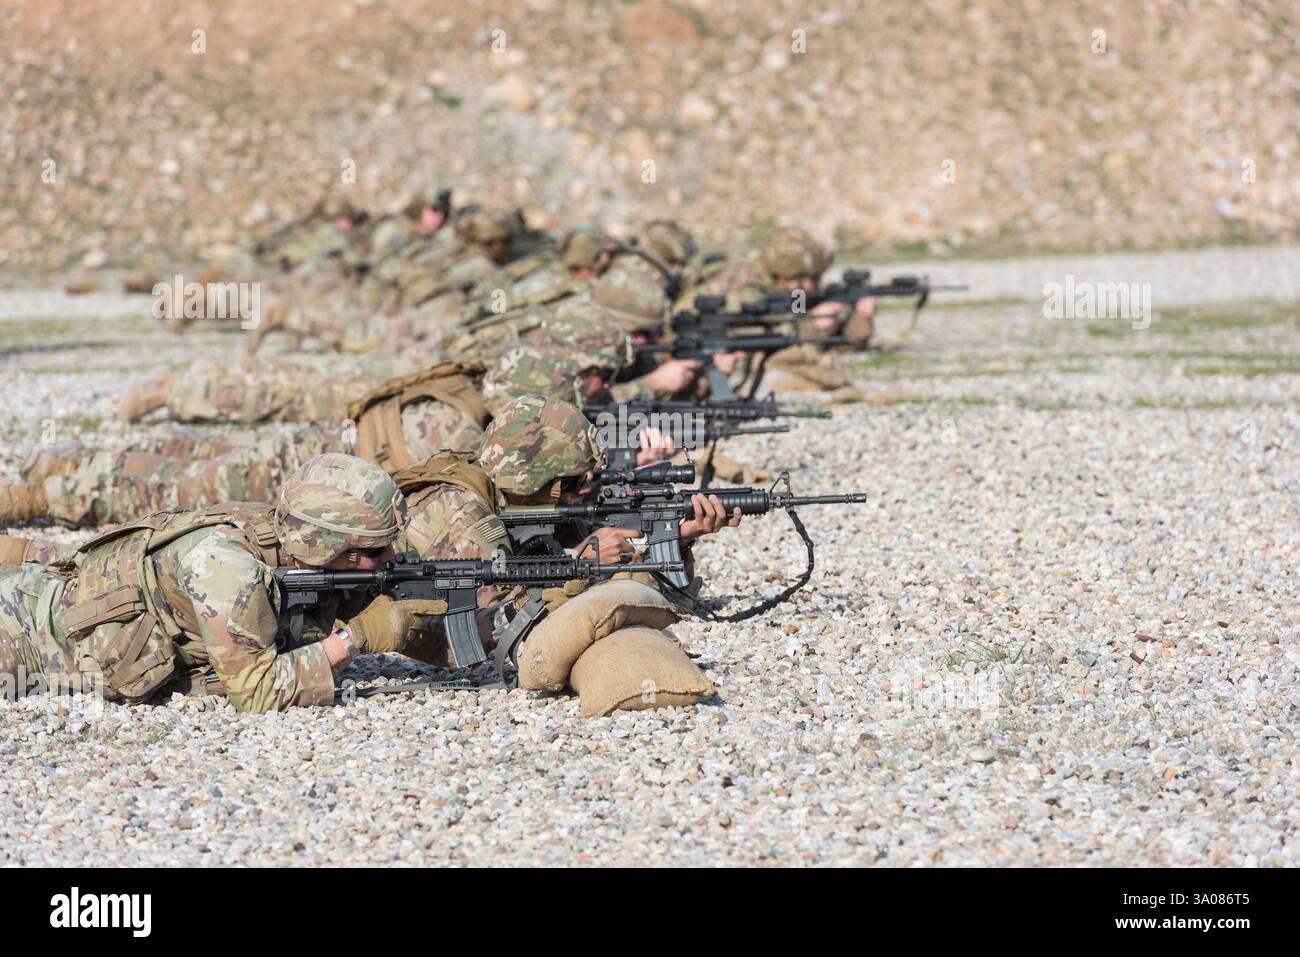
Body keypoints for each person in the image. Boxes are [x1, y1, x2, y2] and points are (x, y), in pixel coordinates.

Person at [0, 454, 451, 712]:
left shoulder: (293, 548)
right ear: (325, 544)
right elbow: (256, 692)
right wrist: (356, 639)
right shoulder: (228, 570)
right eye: (376, 550)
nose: (390, 558)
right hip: (28, 636)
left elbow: (408, 617)